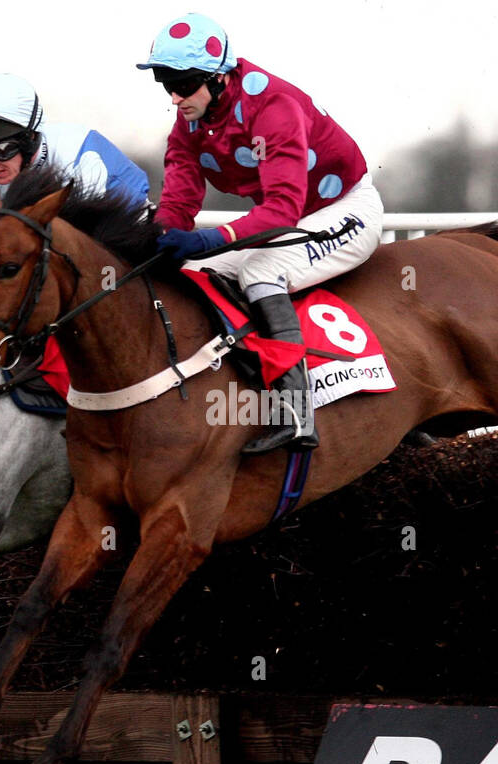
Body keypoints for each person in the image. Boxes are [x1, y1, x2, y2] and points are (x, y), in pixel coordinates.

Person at [138, 13, 385, 453]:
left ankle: (296, 411)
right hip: (292, 219)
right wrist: (155, 241)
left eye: (183, 83)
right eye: (165, 83)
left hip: (346, 210)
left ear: (217, 77)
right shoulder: (189, 123)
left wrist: (207, 238)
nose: (174, 97)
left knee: (260, 273)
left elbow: (282, 210)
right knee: (195, 271)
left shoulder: (273, 106)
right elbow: (177, 206)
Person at [0, 73, 152, 286]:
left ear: (30, 140)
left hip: (125, 236)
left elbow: (75, 251)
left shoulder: (80, 161)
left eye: (1, 150)